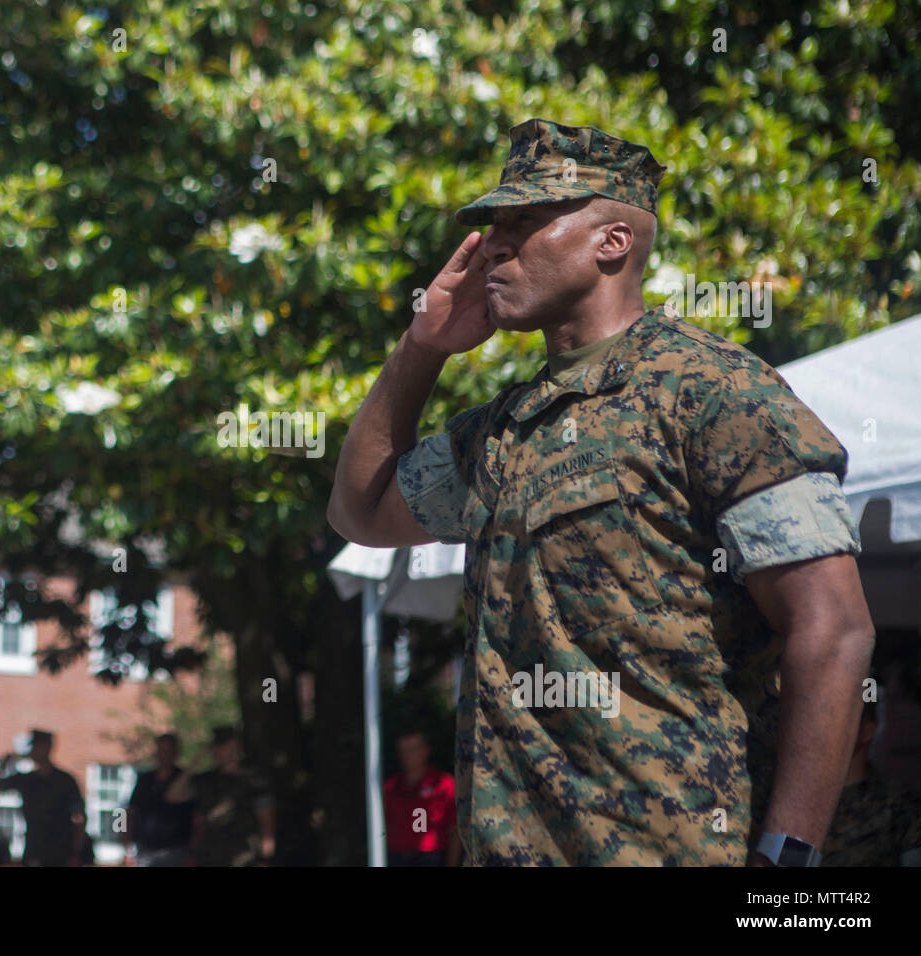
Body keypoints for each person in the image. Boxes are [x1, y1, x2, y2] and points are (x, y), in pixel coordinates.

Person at [329, 118, 875, 866]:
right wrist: (419, 351)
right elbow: (359, 511)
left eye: (523, 223)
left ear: (611, 242)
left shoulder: (713, 392)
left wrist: (786, 863)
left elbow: (835, 629)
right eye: (491, 226)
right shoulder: (500, 429)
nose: (493, 245)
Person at [821, 699, 921, 866]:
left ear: (866, 731)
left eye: (835, 718)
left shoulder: (898, 806)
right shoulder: (801, 800)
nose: (823, 728)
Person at [169, 726, 274, 866]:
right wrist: (196, 762)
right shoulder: (205, 780)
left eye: (224, 746)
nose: (218, 751)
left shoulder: (254, 781)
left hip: (244, 858)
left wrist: (264, 859)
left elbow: (266, 824)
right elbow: (173, 796)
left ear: (236, 746)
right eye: (216, 746)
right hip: (209, 857)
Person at [0, 728, 87, 867]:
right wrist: (5, 764)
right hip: (34, 847)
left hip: (60, 849)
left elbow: (79, 817)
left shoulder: (65, 780)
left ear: (47, 747)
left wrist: (76, 852)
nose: (32, 750)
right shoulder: (26, 779)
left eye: (36, 746)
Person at [383, 730, 460, 866]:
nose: (407, 756)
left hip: (431, 858)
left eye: (412, 750)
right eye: (403, 751)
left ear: (425, 751)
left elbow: (454, 831)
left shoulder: (444, 784)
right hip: (396, 858)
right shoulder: (390, 787)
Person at [125, 732, 194, 867]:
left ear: (176, 753)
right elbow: (123, 813)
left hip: (177, 851)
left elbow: (197, 818)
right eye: (161, 751)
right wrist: (126, 848)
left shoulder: (185, 780)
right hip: (145, 851)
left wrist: (192, 851)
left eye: (168, 751)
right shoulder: (144, 780)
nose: (164, 755)